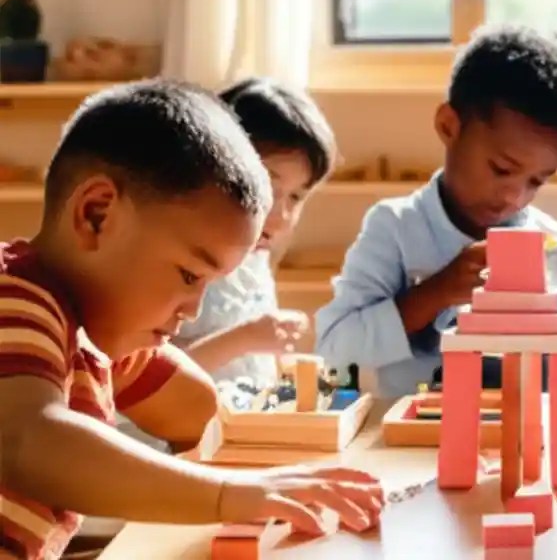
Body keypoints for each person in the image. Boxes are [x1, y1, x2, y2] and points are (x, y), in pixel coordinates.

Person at [0, 79, 382, 559]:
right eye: (188, 274)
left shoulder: (93, 336)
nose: (195, 308)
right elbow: (27, 443)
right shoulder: (17, 300)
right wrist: (229, 494)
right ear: (96, 215)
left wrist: (275, 474)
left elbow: (194, 411)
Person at [315, 25, 557, 397]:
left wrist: (546, 318)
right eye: (501, 169)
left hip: (512, 438)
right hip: (407, 441)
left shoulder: (550, 242)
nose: (515, 196)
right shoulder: (395, 227)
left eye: (537, 181)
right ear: (449, 126)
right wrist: (436, 292)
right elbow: (335, 350)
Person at [174, 77, 337, 388]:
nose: (282, 214)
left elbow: (258, 362)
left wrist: (291, 369)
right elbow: (142, 381)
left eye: (296, 197)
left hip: (241, 426)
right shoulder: (175, 261)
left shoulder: (256, 261)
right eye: (268, 187)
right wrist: (244, 338)